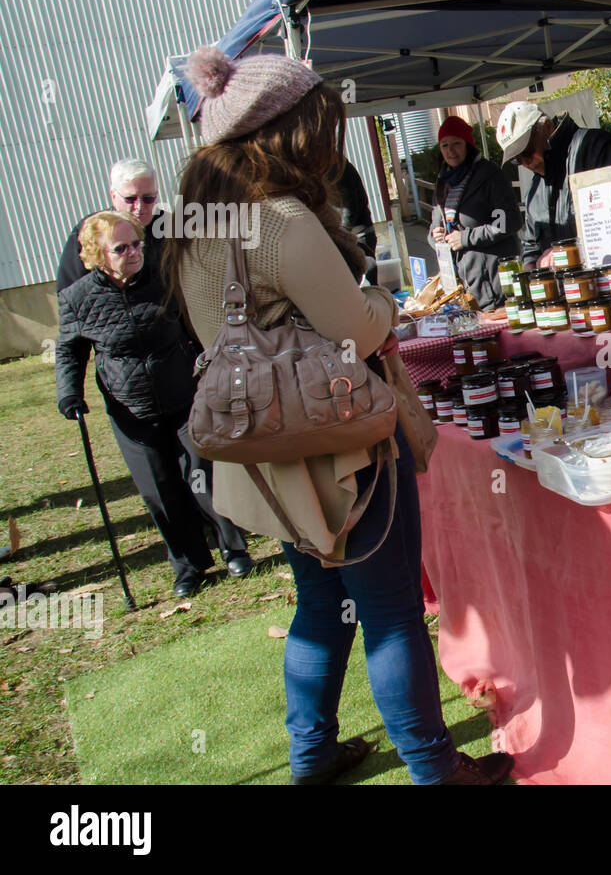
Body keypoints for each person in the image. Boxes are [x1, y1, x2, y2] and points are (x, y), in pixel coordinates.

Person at [169, 45, 513, 785]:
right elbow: (359, 329)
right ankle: (434, 769)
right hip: (341, 442)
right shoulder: (280, 218)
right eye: (323, 125)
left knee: (320, 601)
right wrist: (385, 304)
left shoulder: (198, 218)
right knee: (389, 611)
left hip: (269, 449)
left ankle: (312, 756)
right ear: (290, 131)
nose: (332, 142)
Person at [54, 211, 253, 597]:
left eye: (137, 244)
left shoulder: (164, 278)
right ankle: (188, 565)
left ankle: (234, 546)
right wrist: (69, 393)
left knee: (203, 476)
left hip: (183, 396)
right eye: (121, 248)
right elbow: (69, 351)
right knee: (158, 491)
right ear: (98, 255)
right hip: (131, 412)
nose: (133, 252)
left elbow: (194, 324)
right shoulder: (76, 299)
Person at [495, 100, 611, 269]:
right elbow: (531, 246)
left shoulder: (597, 149)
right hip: (570, 289)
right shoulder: (535, 191)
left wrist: (571, 250)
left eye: (527, 151)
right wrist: (531, 267)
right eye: (517, 159)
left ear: (547, 127)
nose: (525, 162)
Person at [425, 116, 521, 309]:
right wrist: (435, 237)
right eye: (444, 145)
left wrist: (466, 238)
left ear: (468, 145)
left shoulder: (490, 175)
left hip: (496, 281)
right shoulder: (443, 181)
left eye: (456, 144)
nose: (450, 151)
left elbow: (508, 221)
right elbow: (436, 227)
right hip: (466, 283)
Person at [56, 159, 164, 293]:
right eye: (130, 199)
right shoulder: (93, 230)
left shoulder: (172, 226)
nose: (139, 206)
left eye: (148, 198)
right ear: (113, 195)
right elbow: (70, 293)